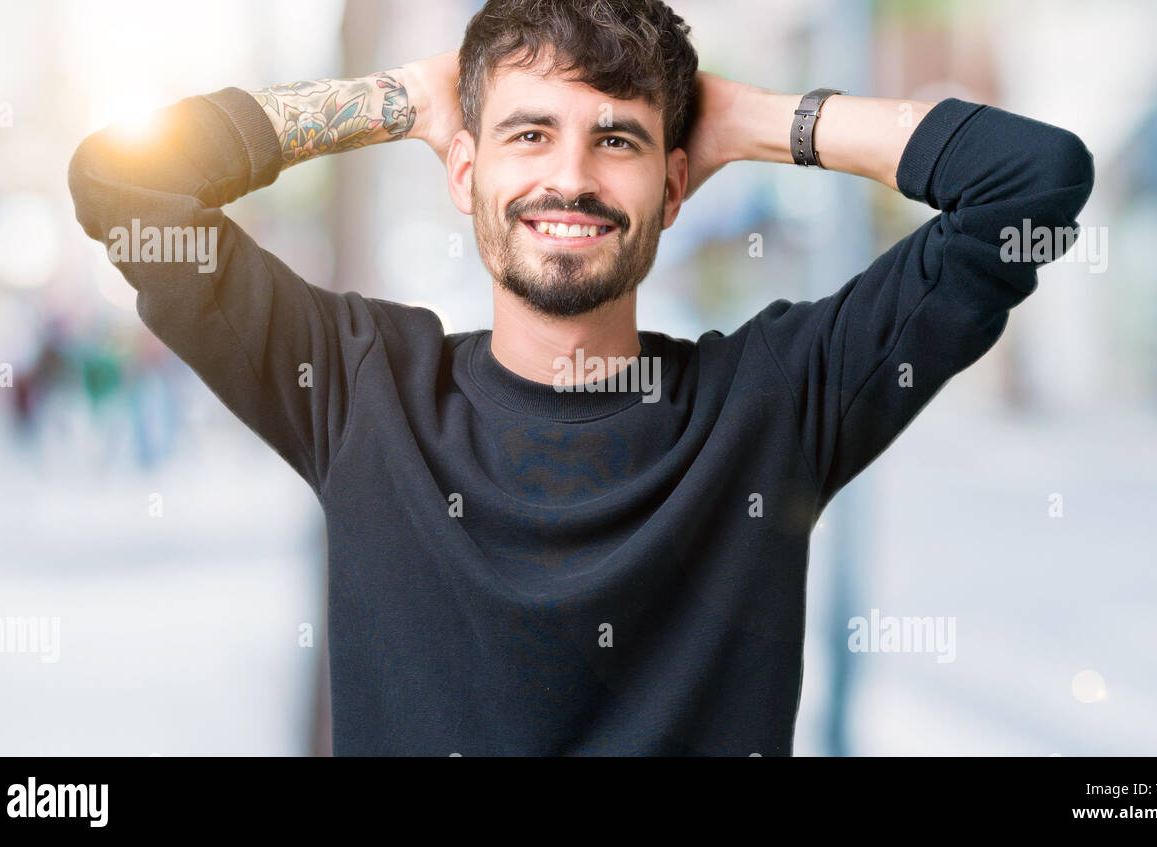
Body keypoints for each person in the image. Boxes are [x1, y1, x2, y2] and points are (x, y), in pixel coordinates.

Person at [67, 0, 1094, 755]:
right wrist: (395, 100)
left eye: (618, 140)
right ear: (462, 170)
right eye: (528, 134)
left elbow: (1031, 182)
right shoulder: (354, 386)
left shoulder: (777, 402)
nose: (570, 177)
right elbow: (121, 178)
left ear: (675, 181)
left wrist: (750, 116)